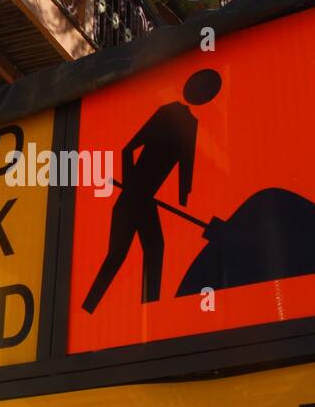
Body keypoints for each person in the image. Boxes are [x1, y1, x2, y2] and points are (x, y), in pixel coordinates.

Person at [81, 68, 222, 313]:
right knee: (116, 257)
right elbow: (128, 149)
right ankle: (87, 310)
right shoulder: (167, 113)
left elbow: (185, 170)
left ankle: (150, 313)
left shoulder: (191, 125)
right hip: (131, 198)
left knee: (155, 249)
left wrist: (183, 201)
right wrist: (130, 185)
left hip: (146, 201)